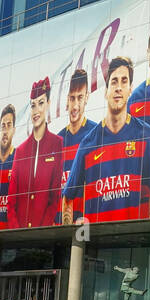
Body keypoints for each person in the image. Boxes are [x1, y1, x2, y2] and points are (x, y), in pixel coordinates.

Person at [62, 56, 150, 223]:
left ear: (130, 89)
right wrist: (75, 233)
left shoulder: (143, 133)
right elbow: (68, 197)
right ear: (106, 91)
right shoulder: (89, 143)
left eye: (124, 82)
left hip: (131, 244)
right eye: (114, 82)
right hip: (96, 244)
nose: (118, 88)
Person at [7, 78, 65, 229]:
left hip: (43, 234)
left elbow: (54, 197)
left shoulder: (57, 143)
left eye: (41, 103)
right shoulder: (20, 151)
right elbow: (11, 201)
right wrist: (17, 231)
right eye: (33, 105)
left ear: (48, 104)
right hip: (19, 234)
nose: (36, 110)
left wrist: (40, 231)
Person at [59, 69, 98, 224]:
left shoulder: (96, 134)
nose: (75, 106)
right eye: (72, 98)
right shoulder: (58, 141)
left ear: (87, 97)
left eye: (80, 98)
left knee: (82, 248)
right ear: (67, 99)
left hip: (86, 221)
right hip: (59, 224)